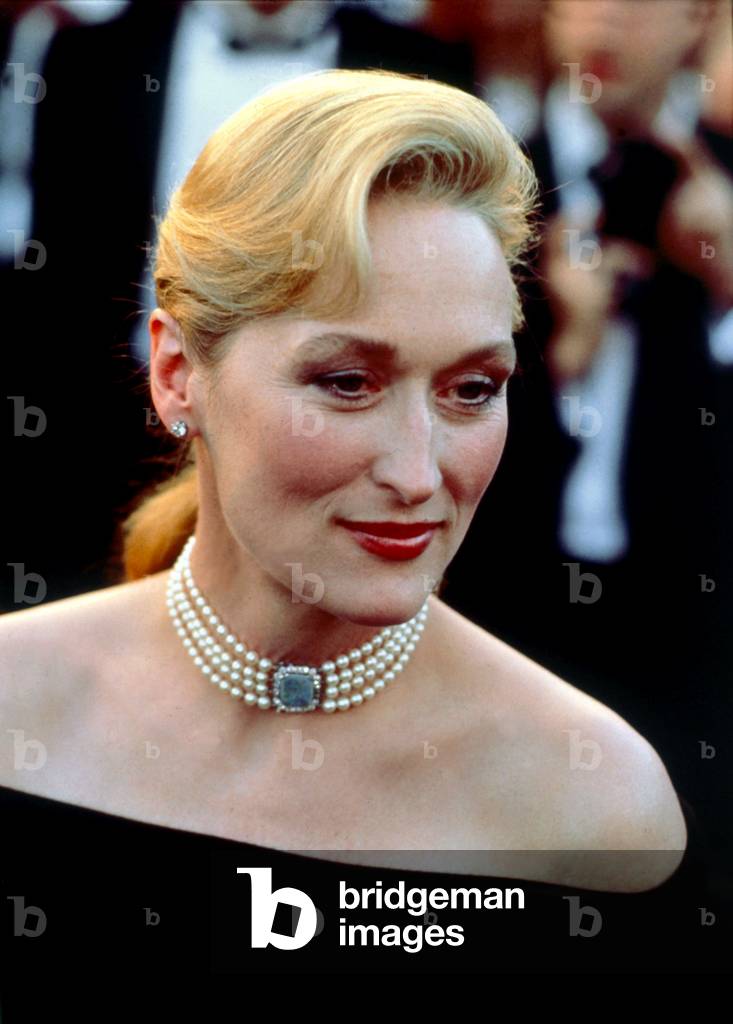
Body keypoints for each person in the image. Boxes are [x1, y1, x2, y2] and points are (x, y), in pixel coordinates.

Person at [0, 69, 686, 898]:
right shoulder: (16, 707)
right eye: (348, 383)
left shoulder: (588, 802)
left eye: (471, 391)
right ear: (178, 374)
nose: (416, 472)